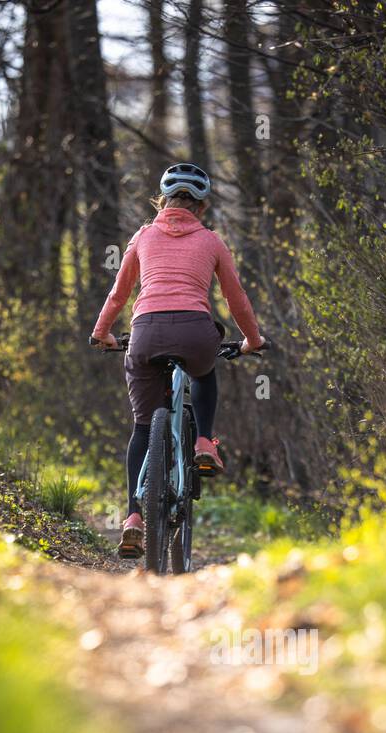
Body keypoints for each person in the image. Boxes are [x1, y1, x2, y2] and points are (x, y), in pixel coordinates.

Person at [90, 163, 266, 558]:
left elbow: (119, 294)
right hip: (194, 332)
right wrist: (252, 340)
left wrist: (101, 333)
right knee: (204, 370)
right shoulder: (212, 241)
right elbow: (236, 298)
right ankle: (205, 440)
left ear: (162, 201)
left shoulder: (142, 236)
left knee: (141, 427)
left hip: (144, 334)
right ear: (202, 207)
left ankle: (134, 517)